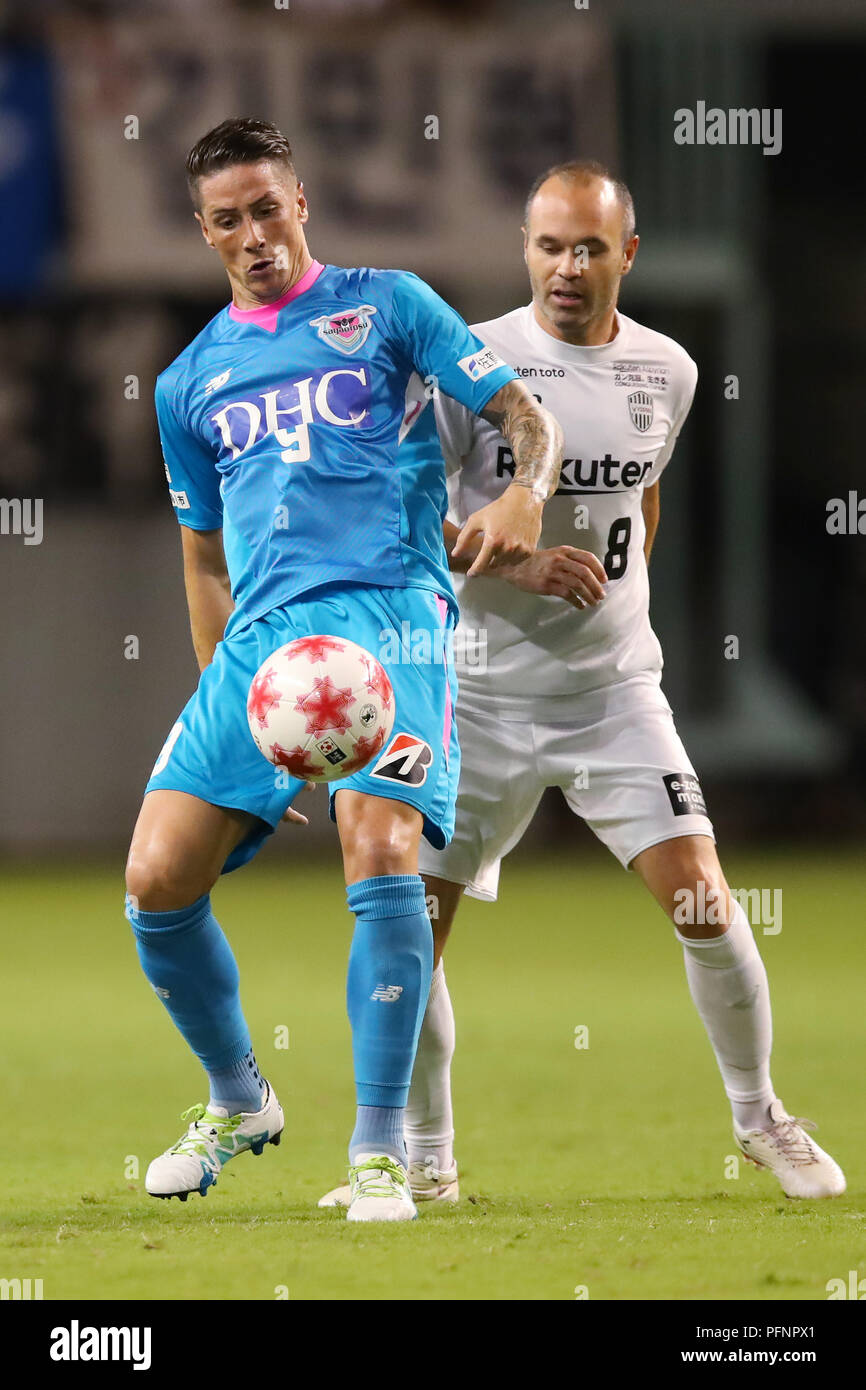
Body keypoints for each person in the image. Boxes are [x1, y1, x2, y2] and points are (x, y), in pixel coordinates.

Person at [320, 159, 844, 1210]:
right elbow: (405, 524)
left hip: (609, 694)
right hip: (468, 695)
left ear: (626, 255)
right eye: (549, 244)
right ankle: (426, 1151)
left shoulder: (670, 371)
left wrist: (611, 594)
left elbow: (637, 503)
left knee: (702, 899)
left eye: (589, 246)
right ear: (526, 251)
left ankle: (760, 1117)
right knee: (409, 926)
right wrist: (515, 562)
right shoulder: (472, 366)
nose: (566, 265)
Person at [123, 119, 563, 1223]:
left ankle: (377, 1154)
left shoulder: (388, 304)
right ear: (204, 229)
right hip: (258, 651)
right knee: (155, 879)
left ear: (300, 202)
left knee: (382, 848)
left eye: (268, 207)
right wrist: (238, 707)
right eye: (228, 217)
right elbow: (201, 555)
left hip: (391, 621)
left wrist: (520, 492)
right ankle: (239, 1098)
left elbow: (524, 413)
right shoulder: (187, 382)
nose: (253, 233)